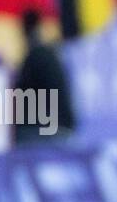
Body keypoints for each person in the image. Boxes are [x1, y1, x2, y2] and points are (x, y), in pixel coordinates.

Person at [13, 9, 76, 144]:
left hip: (47, 134)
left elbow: (23, 101)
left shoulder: (37, 56)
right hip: (60, 131)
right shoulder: (51, 55)